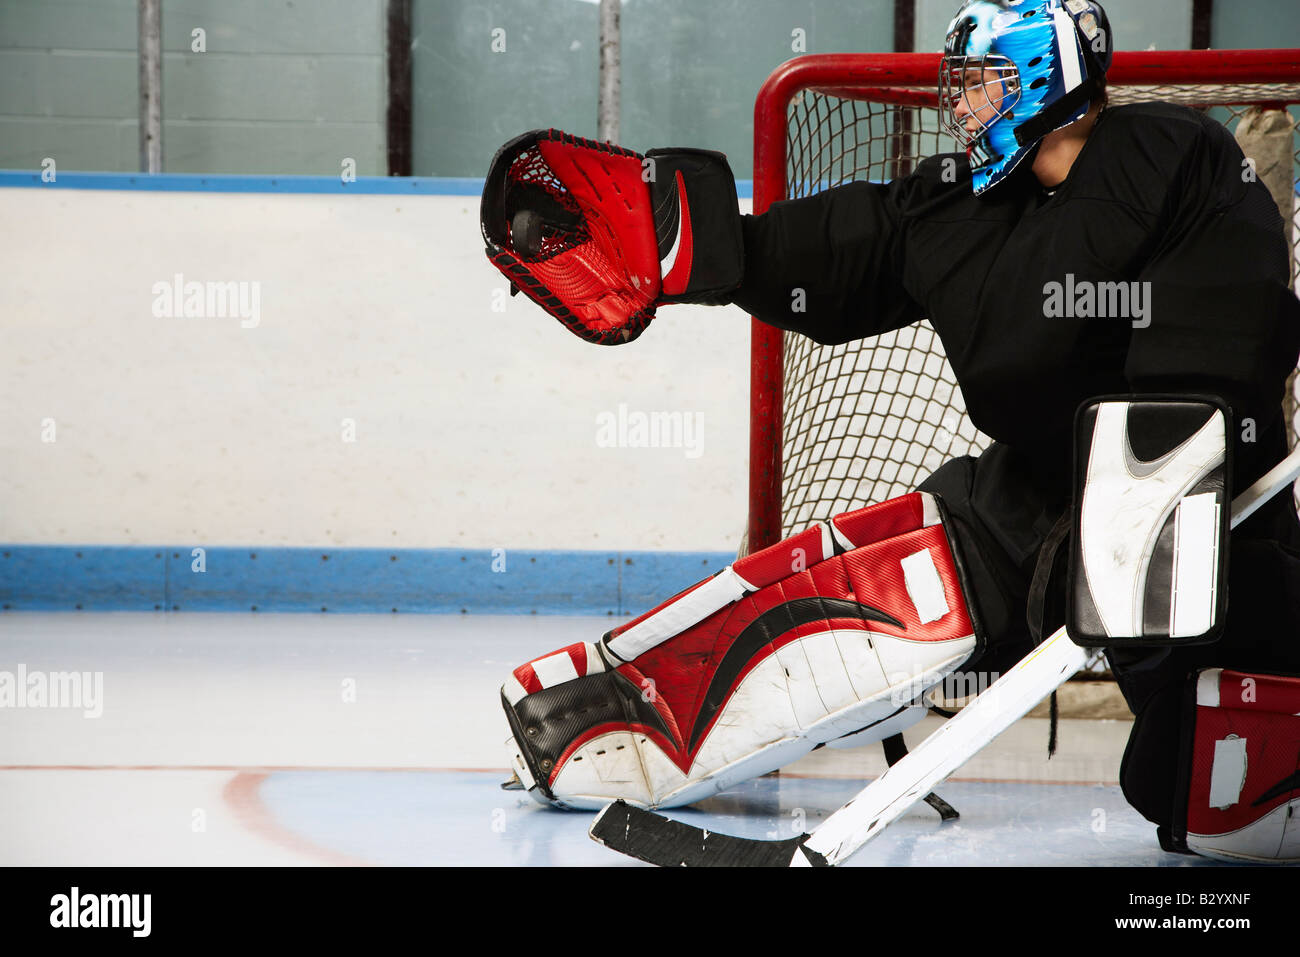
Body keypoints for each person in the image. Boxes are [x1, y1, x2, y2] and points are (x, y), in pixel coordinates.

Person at [482, 0, 1300, 861]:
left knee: (1202, 802)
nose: (959, 100)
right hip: (1033, 499)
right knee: (894, 570)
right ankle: (590, 729)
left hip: (1195, 517)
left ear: (1045, 80)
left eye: (982, 81)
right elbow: (853, 248)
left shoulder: (1170, 157)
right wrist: (698, 247)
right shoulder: (969, 202)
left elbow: (1228, 333)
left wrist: (1149, 490)